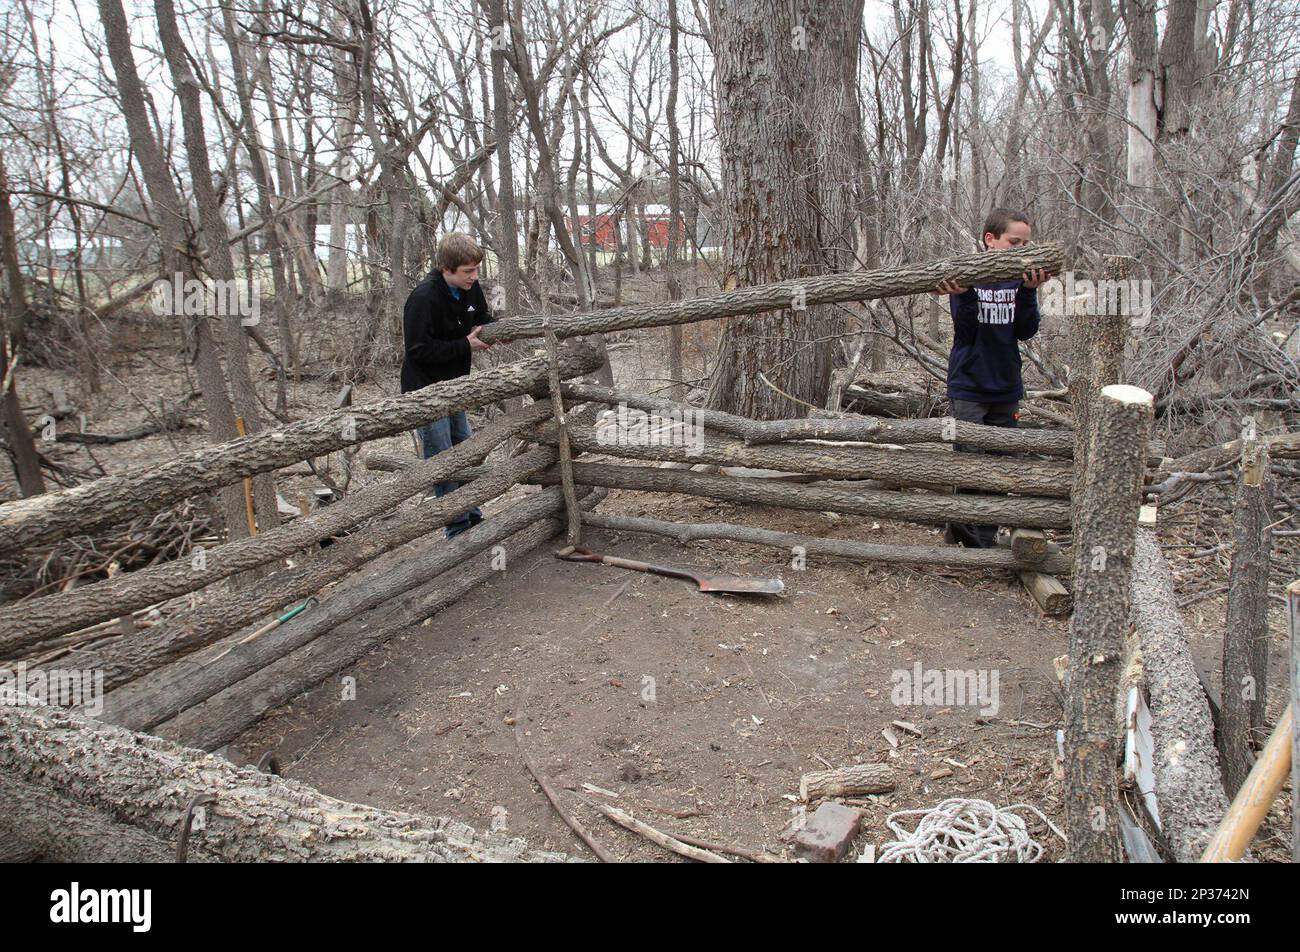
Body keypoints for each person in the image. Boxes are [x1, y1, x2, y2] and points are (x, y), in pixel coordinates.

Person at [932, 207, 1053, 548]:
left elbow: (1026, 331)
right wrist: (965, 293)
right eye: (1015, 242)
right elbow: (966, 331)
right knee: (971, 465)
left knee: (1000, 468)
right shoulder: (967, 274)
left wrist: (1029, 292)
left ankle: (984, 538)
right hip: (969, 385)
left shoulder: (1020, 278)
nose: (1022, 249)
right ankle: (968, 544)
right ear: (990, 240)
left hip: (1006, 386)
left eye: (1026, 243)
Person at [401, 232, 493, 539]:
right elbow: (418, 349)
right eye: (468, 271)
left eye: (476, 269)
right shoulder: (423, 298)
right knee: (442, 457)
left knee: (466, 450)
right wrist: (465, 346)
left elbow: (482, 318)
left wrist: (494, 332)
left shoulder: (470, 288)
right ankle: (456, 527)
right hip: (426, 392)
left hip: (455, 387)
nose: (474, 276)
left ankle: (473, 515)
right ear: (446, 269)